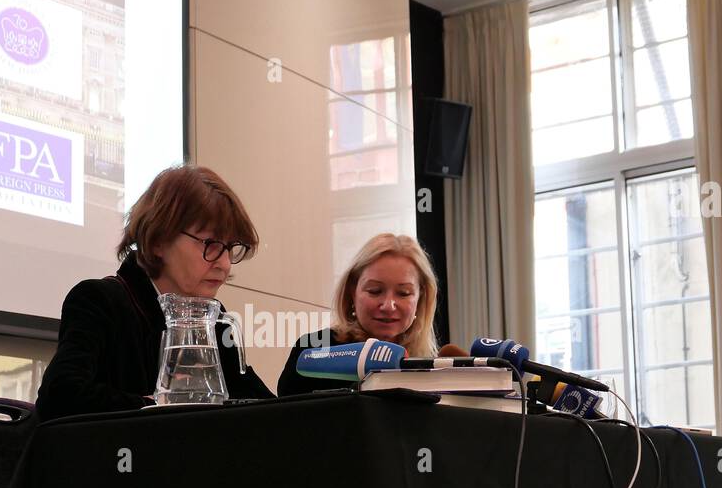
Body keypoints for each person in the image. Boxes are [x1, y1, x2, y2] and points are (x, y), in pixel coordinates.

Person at [35, 164, 273, 422]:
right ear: (159, 239)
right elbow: (60, 395)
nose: (224, 264)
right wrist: (158, 406)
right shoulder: (99, 300)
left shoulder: (212, 319)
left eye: (230, 247)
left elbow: (263, 405)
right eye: (211, 244)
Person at [278, 233, 439, 396]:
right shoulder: (313, 349)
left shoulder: (435, 369)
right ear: (352, 291)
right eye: (375, 291)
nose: (388, 306)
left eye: (403, 293)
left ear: (420, 298)